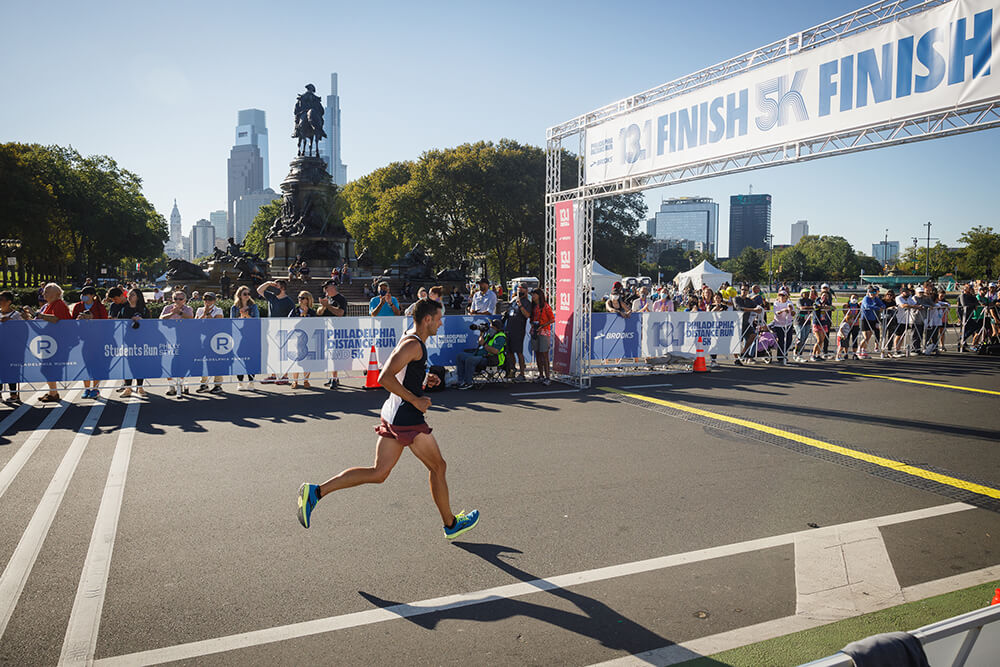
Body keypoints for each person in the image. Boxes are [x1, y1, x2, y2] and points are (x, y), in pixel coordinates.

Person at [296, 298, 480, 539]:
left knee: (379, 473)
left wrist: (423, 382)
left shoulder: (412, 338)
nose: (441, 323)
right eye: (438, 319)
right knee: (438, 466)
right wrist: (415, 400)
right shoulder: (413, 345)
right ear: (427, 320)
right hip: (406, 417)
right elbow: (384, 377)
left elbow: (402, 374)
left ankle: (316, 492)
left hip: (394, 413)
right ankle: (451, 524)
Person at [24, 283, 73, 402]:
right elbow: (40, 322)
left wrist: (36, 314)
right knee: (47, 368)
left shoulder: (59, 304)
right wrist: (28, 318)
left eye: (47, 292)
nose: (43, 294)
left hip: (59, 342)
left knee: (49, 368)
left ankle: (54, 393)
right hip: (48, 341)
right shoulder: (47, 305)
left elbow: (56, 319)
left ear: (56, 294)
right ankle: (53, 392)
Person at [71, 285, 110, 398]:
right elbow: (72, 321)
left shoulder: (99, 307)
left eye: (86, 294)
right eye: (82, 294)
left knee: (96, 364)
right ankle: (86, 388)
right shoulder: (78, 306)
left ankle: (95, 388)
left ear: (93, 296)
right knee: (85, 364)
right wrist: (79, 319)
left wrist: (92, 318)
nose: (83, 296)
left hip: (97, 340)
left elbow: (105, 323)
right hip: (82, 339)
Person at [454, 319, 506, 390]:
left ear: (497, 328)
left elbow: (495, 351)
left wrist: (484, 344)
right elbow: (480, 343)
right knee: (460, 356)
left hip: (491, 358)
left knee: (470, 360)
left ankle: (468, 383)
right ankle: (460, 381)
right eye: (490, 327)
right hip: (479, 354)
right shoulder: (489, 335)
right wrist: (481, 333)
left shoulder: (500, 337)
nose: (490, 329)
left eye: (492, 327)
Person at [160, 290, 194, 396]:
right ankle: (171, 386)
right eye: (175, 299)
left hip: (183, 339)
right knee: (168, 362)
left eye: (180, 299)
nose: (178, 301)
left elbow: (190, 317)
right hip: (168, 339)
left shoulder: (188, 309)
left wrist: (179, 312)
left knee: (182, 362)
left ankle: (182, 383)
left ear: (185, 300)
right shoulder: (167, 308)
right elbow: (161, 318)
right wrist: (172, 313)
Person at [118, 288, 149, 397]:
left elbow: (150, 325)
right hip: (127, 341)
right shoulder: (124, 309)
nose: (130, 296)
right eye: (129, 294)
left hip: (141, 341)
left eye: (133, 294)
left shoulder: (144, 310)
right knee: (128, 365)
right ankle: (128, 388)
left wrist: (142, 320)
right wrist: (129, 319)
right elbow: (118, 324)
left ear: (138, 297)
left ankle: (140, 387)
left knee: (140, 364)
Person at [317, 280, 348, 388]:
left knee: (334, 355)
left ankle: (334, 378)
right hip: (328, 330)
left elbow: (340, 313)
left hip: (337, 331)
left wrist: (328, 306)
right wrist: (324, 306)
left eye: (327, 287)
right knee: (330, 355)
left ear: (333, 287)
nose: (325, 290)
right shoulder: (328, 299)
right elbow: (319, 313)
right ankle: (333, 377)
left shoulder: (341, 299)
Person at [230, 285, 260, 390]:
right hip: (238, 336)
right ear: (240, 295)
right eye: (245, 294)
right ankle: (240, 382)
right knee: (239, 358)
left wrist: (246, 316)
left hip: (250, 335)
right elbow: (232, 322)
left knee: (250, 359)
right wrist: (241, 317)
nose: (247, 296)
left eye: (248, 294)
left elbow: (257, 320)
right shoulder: (234, 307)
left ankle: (251, 382)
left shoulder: (253, 306)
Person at [195, 293, 225, 394]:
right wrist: (204, 313)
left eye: (210, 299)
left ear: (214, 300)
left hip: (214, 339)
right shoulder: (199, 310)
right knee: (202, 362)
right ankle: (204, 384)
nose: (207, 301)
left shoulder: (218, 310)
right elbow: (195, 323)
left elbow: (217, 324)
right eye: (205, 299)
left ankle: (218, 385)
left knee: (215, 361)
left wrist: (208, 314)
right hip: (202, 339)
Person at [288, 291, 318, 388]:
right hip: (296, 339)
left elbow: (315, 325)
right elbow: (289, 322)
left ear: (307, 299)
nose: (300, 299)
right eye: (299, 297)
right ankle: (295, 381)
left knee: (307, 361)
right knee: (295, 360)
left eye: (302, 298)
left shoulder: (312, 312)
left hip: (308, 339)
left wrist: (306, 315)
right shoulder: (295, 310)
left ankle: (306, 380)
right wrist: (301, 316)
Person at [505, 282, 532, 381]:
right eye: (519, 289)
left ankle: (522, 373)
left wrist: (520, 306)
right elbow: (508, 311)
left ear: (526, 291)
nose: (520, 291)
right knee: (510, 351)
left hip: (519, 330)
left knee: (519, 352)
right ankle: (513, 370)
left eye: (522, 289)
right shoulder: (513, 300)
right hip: (509, 329)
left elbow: (527, 315)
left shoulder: (527, 302)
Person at [0, 291, 24, 404]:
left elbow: (23, 330)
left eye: (2, 299)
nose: (0, 302)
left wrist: (11, 323)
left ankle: (14, 394)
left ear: (9, 302)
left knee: (12, 371)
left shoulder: (16, 315)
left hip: (12, 349)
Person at [732, 284, 762, 365]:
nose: (744, 291)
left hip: (746, 323)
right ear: (740, 290)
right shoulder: (736, 299)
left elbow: (757, 306)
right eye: (742, 289)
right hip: (736, 323)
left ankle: (744, 352)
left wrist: (759, 308)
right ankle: (736, 359)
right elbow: (739, 308)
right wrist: (754, 309)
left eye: (745, 290)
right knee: (736, 342)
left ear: (748, 291)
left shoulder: (749, 301)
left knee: (753, 335)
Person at [530, 288, 554, 385]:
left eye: (534, 295)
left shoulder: (546, 307)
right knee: (538, 354)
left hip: (544, 332)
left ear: (539, 295)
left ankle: (548, 377)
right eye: (532, 295)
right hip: (535, 331)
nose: (533, 297)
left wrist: (542, 326)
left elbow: (552, 319)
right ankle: (541, 375)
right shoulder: (534, 307)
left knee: (545, 355)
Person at [857, 287, 884, 358]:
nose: (872, 294)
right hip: (865, 318)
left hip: (873, 319)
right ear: (868, 293)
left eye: (874, 293)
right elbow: (867, 306)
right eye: (871, 293)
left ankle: (864, 350)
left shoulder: (876, 299)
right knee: (865, 337)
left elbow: (882, 304)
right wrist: (877, 308)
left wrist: (881, 307)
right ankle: (859, 350)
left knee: (869, 336)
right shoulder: (866, 298)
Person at [770, 290, 795, 365]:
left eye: (783, 295)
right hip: (779, 324)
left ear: (786, 297)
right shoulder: (776, 303)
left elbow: (793, 313)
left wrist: (791, 310)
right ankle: (780, 357)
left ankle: (784, 354)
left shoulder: (789, 303)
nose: (781, 297)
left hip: (788, 323)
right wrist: (783, 310)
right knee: (781, 340)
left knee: (789, 340)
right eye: (780, 295)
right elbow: (776, 313)